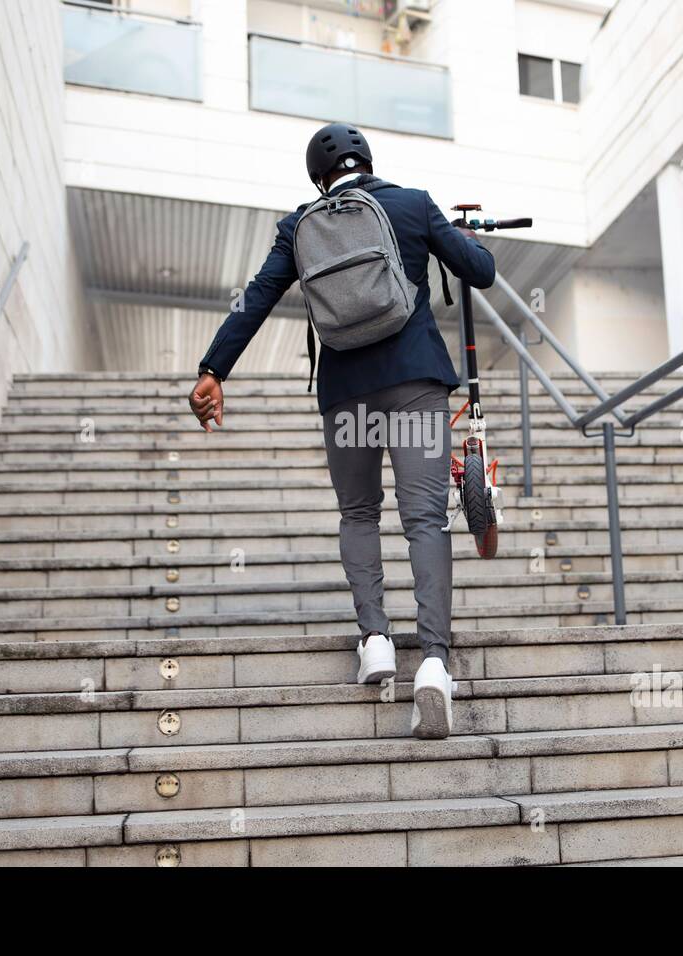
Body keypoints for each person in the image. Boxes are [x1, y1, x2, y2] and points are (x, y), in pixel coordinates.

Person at [188, 123, 496, 739]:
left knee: (358, 513)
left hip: (346, 393)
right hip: (415, 382)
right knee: (425, 520)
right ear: (369, 162)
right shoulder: (411, 203)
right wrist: (456, 238)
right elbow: (479, 271)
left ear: (318, 178)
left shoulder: (299, 226)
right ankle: (434, 661)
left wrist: (213, 369)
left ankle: (376, 640)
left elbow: (255, 298)